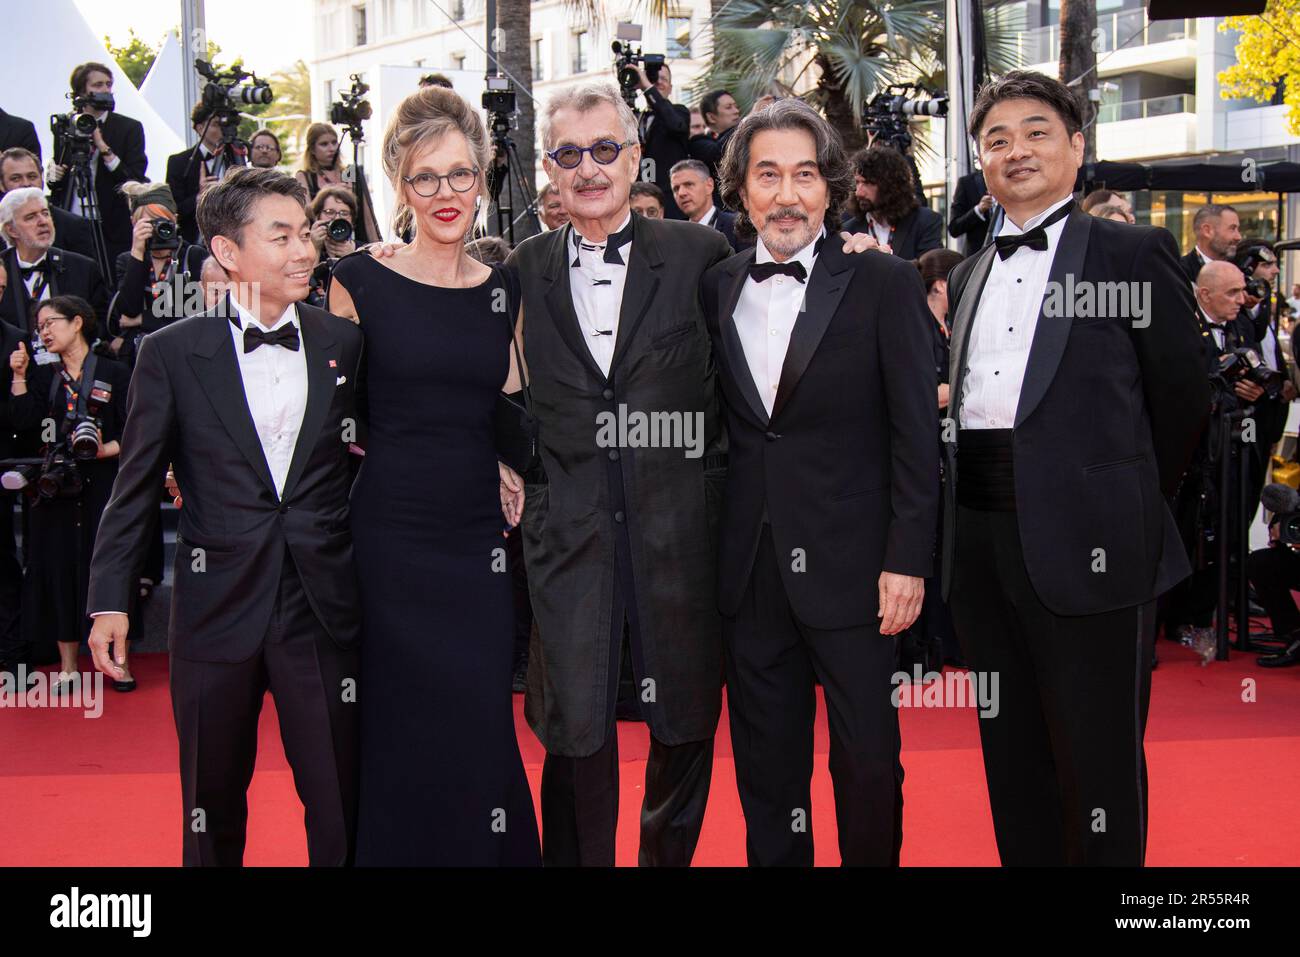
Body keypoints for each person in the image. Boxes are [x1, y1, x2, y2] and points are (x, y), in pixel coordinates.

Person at [505, 82, 882, 867]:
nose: (589, 169)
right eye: (569, 154)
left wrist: (848, 250)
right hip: (568, 541)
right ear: (549, 167)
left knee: (684, 727)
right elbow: (490, 384)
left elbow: (787, 332)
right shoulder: (520, 270)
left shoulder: (700, 256)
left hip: (683, 538)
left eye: (605, 149)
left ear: (635, 155)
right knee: (575, 736)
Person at [942, 70, 1207, 866]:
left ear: (1077, 147)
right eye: (997, 139)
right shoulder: (967, 273)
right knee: (1011, 755)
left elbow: (1182, 399)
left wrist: (1114, 500)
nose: (1015, 149)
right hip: (983, 545)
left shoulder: (1132, 252)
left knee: (1096, 763)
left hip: (1095, 546)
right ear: (980, 161)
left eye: (1036, 131)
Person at [85, 167, 365, 867]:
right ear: (229, 251)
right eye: (282, 236)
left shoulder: (344, 343)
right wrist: (109, 601)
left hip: (321, 607)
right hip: (214, 611)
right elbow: (136, 483)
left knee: (341, 801)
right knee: (209, 810)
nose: (304, 250)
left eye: (307, 233)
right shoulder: (171, 353)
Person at [701, 98, 938, 866]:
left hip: (859, 569)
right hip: (750, 570)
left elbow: (915, 433)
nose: (787, 194)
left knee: (868, 761)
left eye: (805, 174)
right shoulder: (718, 287)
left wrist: (907, 558)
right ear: (741, 189)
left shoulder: (885, 284)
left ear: (831, 189)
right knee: (769, 771)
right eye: (767, 174)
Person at [326, 86, 541, 866]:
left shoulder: (501, 289)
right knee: (399, 715)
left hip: (475, 540)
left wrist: (501, 457)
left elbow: (508, 405)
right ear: (399, 184)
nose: (445, 194)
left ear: (483, 177)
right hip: (389, 533)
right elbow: (334, 418)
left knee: (478, 708)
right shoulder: (359, 281)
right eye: (425, 178)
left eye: (460, 175)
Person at [10, 296, 129, 689]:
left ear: (77, 322)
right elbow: (24, 425)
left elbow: (140, 424)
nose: (43, 332)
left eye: (50, 323)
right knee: (57, 569)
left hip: (104, 482)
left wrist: (106, 449)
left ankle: (119, 661)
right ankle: (67, 667)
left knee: (108, 566)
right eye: (39, 326)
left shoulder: (115, 370)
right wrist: (19, 376)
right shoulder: (44, 377)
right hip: (55, 488)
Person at [46, 62, 148, 273]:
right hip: (72, 218)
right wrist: (53, 174)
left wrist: (104, 148)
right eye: (98, 85)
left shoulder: (129, 128)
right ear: (82, 92)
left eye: (108, 85)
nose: (105, 90)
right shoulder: (66, 126)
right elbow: (60, 174)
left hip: (110, 223)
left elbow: (134, 178)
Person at [0, 188, 108, 352]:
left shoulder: (84, 268)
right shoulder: (2, 270)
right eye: (31, 217)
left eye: (45, 213)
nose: (42, 221)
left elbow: (102, 324)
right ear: (11, 230)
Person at [166, 102, 250, 244]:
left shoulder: (236, 158)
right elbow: (173, 210)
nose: (222, 130)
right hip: (196, 240)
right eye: (216, 124)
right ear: (200, 128)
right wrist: (199, 197)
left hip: (235, 239)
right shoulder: (179, 162)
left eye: (226, 125)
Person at [842, 144, 944, 259]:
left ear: (890, 185)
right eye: (857, 183)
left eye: (868, 183)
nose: (859, 192)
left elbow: (928, 270)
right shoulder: (846, 227)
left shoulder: (925, 222)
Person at [0, 148, 96, 262]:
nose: (26, 184)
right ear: (1, 184)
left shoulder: (74, 226)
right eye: (16, 178)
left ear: (42, 177)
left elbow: (85, 275)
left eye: (32, 176)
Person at [635, 62, 691, 220]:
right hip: (639, 201)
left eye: (663, 79)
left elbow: (674, 125)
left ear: (671, 88)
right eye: (653, 78)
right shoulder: (637, 117)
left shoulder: (679, 112)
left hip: (670, 202)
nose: (658, 82)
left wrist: (647, 87)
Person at [669, 158, 743, 251]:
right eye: (676, 189)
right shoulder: (674, 236)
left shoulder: (736, 226)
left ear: (709, 185)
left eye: (688, 184)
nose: (681, 193)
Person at [1181, 203, 1241, 282]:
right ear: (1207, 231)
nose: (1239, 237)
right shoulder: (1180, 272)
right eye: (1232, 229)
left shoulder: (1240, 269)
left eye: (1238, 229)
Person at [947, 169, 993, 254]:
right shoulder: (966, 182)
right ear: (980, 159)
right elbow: (954, 228)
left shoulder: (1013, 178)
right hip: (978, 256)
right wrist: (978, 210)